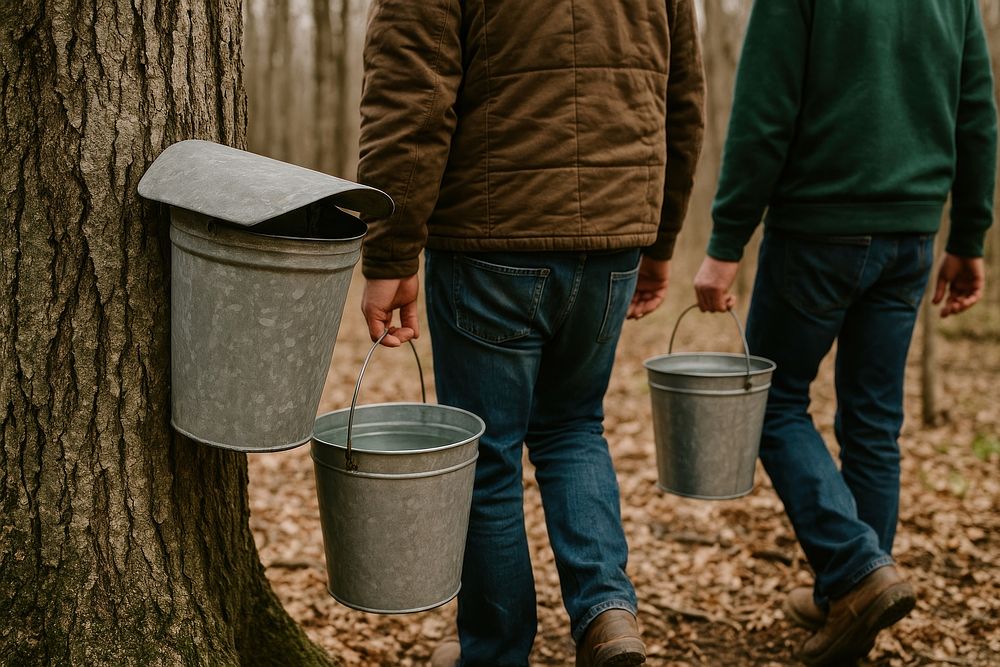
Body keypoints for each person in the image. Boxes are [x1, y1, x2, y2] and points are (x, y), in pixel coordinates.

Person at [355, 1, 705, 665]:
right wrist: (660, 238)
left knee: (488, 458)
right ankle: (608, 613)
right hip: (612, 234)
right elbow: (680, 95)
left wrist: (390, 251)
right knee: (574, 428)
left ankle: (493, 650)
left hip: (492, 239)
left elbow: (410, 94)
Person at [693, 1, 997, 665]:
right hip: (912, 235)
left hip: (816, 230)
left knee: (770, 401)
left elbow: (763, 114)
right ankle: (848, 598)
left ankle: (856, 572)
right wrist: (968, 232)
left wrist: (725, 241)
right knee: (873, 422)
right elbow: (976, 110)